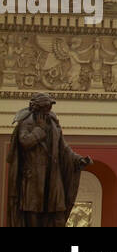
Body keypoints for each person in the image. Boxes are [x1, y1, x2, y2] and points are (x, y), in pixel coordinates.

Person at [6, 92, 92, 227]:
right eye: (45, 107)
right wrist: (39, 130)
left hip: (52, 174)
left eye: (49, 107)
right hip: (33, 175)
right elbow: (24, 142)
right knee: (33, 209)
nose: (48, 111)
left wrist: (77, 159)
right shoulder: (26, 122)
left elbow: (64, 148)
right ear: (37, 108)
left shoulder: (53, 123)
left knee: (57, 209)